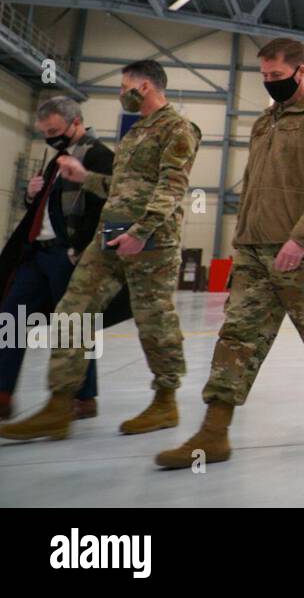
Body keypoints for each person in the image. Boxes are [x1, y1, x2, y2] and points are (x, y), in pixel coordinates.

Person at [156, 38, 304, 469]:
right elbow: (255, 182)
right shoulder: (265, 122)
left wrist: (300, 240)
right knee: (238, 336)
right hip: (256, 252)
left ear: (300, 70)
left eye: (276, 76)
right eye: (264, 77)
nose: (269, 84)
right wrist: (242, 239)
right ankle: (214, 432)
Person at [0, 62, 200, 442]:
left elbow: (172, 189)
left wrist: (141, 232)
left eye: (125, 86)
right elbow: (120, 188)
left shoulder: (178, 128)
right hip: (109, 237)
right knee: (71, 312)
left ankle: (165, 400)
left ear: (144, 86)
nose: (122, 92)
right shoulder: (135, 133)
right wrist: (84, 178)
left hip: (151, 243)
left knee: (154, 321)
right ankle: (60, 405)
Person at [0, 98, 116, 420]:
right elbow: (47, 209)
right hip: (37, 253)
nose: (50, 137)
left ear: (75, 122)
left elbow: (106, 205)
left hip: (67, 255)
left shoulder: (99, 156)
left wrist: (79, 249)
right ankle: (3, 392)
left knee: (73, 326)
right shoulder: (57, 158)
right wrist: (30, 194)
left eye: (54, 131)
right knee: (10, 318)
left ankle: (84, 396)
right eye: (45, 133)